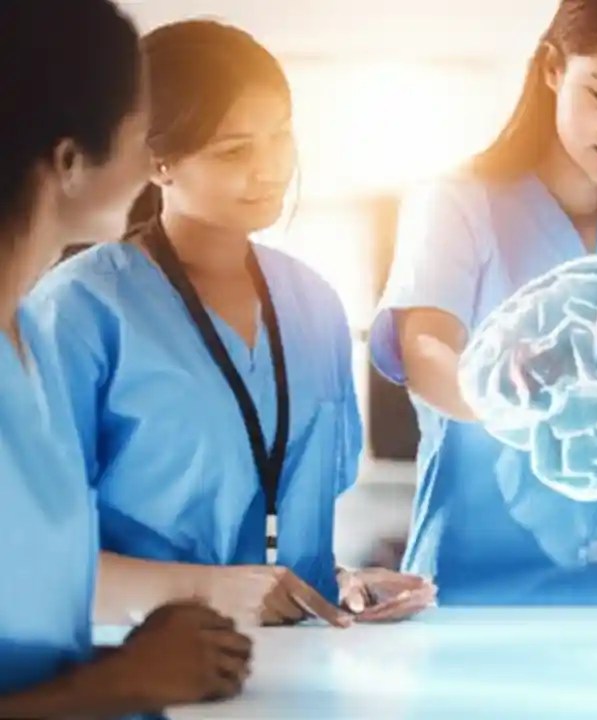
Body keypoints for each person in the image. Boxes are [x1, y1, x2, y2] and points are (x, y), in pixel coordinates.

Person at [28, 19, 435, 628]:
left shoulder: (314, 304)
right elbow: (29, 561)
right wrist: (206, 590)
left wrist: (331, 584)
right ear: (158, 161)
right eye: (235, 150)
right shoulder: (80, 310)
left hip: (302, 667)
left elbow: (281, 524)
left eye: (280, 137)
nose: (271, 168)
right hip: (132, 664)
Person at [370, 0, 597, 605]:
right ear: (551, 69)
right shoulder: (458, 202)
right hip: (483, 590)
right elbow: (426, 350)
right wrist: (499, 385)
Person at [0, 0, 251, 714]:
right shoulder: (77, 315)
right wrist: (121, 680)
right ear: (70, 162)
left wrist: (144, 657)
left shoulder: (31, 344)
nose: (150, 162)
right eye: (141, 134)